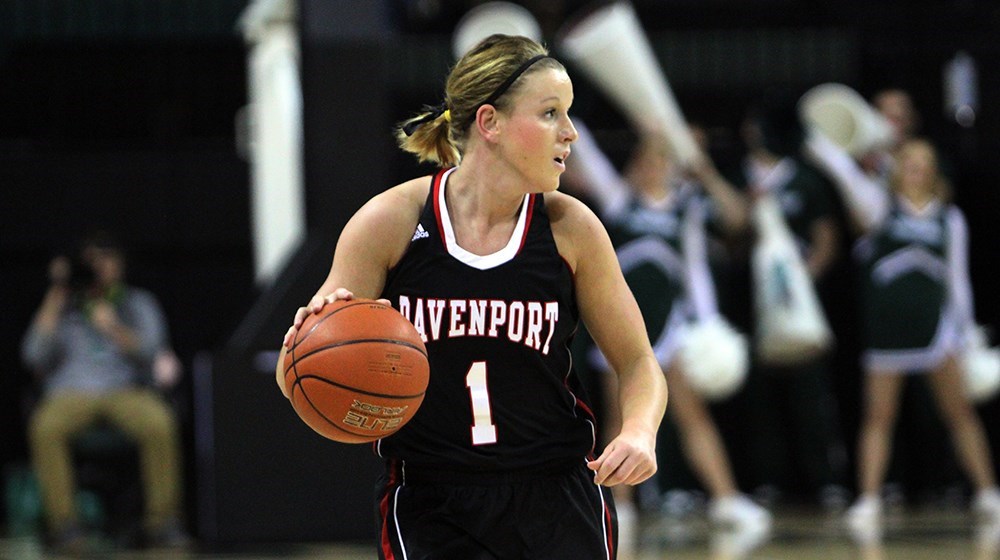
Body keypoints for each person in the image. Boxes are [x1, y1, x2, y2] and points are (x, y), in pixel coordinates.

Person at [276, 34, 668, 559]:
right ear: (490, 123)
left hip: (556, 494)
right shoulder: (392, 222)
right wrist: (303, 345)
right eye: (551, 113)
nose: (570, 133)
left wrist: (640, 431)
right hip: (430, 500)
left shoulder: (571, 228)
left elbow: (639, 361)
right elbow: (294, 372)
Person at [561, 118, 771, 542]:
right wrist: (569, 118)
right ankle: (619, 505)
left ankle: (726, 497)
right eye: (648, 159)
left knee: (692, 414)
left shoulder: (685, 209)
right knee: (618, 420)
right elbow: (592, 160)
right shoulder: (621, 201)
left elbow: (695, 272)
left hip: (671, 327)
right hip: (619, 329)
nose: (654, 167)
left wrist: (708, 323)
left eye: (663, 161)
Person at [805, 133, 1000, 537]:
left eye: (922, 163)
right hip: (888, 334)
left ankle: (987, 492)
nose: (915, 169)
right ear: (897, 170)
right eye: (908, 162)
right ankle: (870, 497)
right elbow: (845, 176)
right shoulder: (880, 208)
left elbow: (957, 281)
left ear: (933, 171)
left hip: (938, 333)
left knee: (959, 414)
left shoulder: (950, 219)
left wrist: (966, 333)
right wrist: (821, 138)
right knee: (878, 417)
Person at [20, 230, 190, 552]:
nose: (101, 268)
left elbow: (153, 353)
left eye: (108, 260)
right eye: (93, 261)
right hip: (69, 394)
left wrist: (113, 326)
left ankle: (161, 523)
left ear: (120, 265)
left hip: (124, 391)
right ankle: (66, 526)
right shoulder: (63, 305)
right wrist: (57, 294)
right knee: (45, 426)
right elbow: (32, 354)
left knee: (159, 422)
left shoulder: (138, 303)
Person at [738, 93, 851, 510]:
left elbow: (826, 237)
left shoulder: (804, 178)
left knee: (811, 396)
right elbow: (731, 232)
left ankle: (825, 480)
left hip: (799, 303)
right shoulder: (741, 176)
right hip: (754, 302)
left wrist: (803, 280)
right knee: (761, 399)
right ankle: (768, 479)